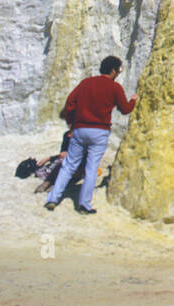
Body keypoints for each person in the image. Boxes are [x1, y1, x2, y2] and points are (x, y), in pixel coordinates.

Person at [45, 56, 135, 215]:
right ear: (113, 70)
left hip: (80, 129)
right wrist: (133, 101)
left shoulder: (86, 83)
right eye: (119, 70)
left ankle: (52, 199)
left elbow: (70, 103)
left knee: (68, 165)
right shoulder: (115, 88)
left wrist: (71, 124)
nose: (119, 73)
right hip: (100, 131)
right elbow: (125, 109)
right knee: (91, 168)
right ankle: (84, 205)